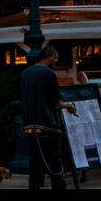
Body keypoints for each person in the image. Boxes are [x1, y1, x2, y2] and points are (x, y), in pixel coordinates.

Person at [19, 46, 76, 190]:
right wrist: (68, 106)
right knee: (54, 164)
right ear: (50, 58)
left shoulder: (25, 73)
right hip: (47, 126)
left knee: (35, 165)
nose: (56, 63)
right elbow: (55, 103)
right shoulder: (49, 74)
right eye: (55, 60)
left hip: (29, 126)